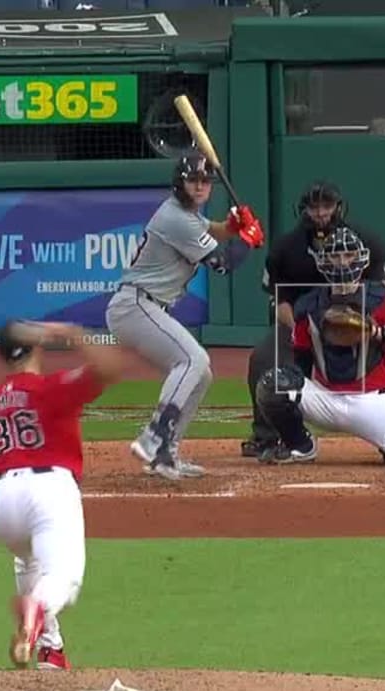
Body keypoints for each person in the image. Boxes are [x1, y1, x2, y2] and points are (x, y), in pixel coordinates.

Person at [0, 320, 123, 671]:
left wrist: (0, 492)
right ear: (36, 349)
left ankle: (50, 651)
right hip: (48, 490)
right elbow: (111, 368)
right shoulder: (50, 388)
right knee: (63, 577)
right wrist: (71, 333)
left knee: (29, 561)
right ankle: (37, 609)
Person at [105, 151, 264, 480]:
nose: (200, 186)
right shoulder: (175, 217)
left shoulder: (187, 216)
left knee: (201, 374)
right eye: (193, 180)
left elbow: (212, 232)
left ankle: (166, 454)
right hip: (135, 305)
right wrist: (247, 239)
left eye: (205, 180)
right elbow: (222, 264)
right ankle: (153, 436)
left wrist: (232, 228)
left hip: (144, 306)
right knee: (193, 360)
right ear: (180, 183)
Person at [241, 181, 385, 458]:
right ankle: (268, 436)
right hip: (304, 320)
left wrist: (362, 327)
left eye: (327, 205)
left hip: (360, 323)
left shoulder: (367, 241)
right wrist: (307, 331)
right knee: (264, 359)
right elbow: (280, 300)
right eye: (314, 207)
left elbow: (381, 292)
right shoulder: (287, 248)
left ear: (338, 207)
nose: (321, 213)